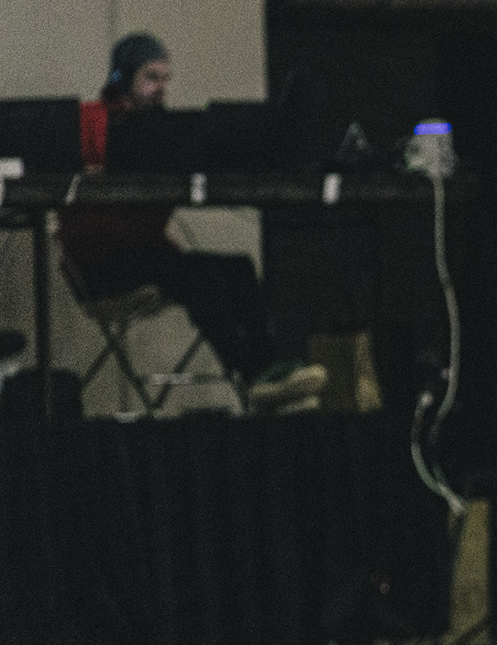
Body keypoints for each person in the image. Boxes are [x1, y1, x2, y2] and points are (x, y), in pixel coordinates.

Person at [58, 33, 327, 413]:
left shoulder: (167, 133)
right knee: (195, 276)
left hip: (146, 254)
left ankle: (268, 366)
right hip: (100, 265)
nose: (161, 88)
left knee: (237, 267)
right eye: (151, 77)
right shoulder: (94, 121)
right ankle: (252, 375)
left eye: (166, 79)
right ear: (122, 77)